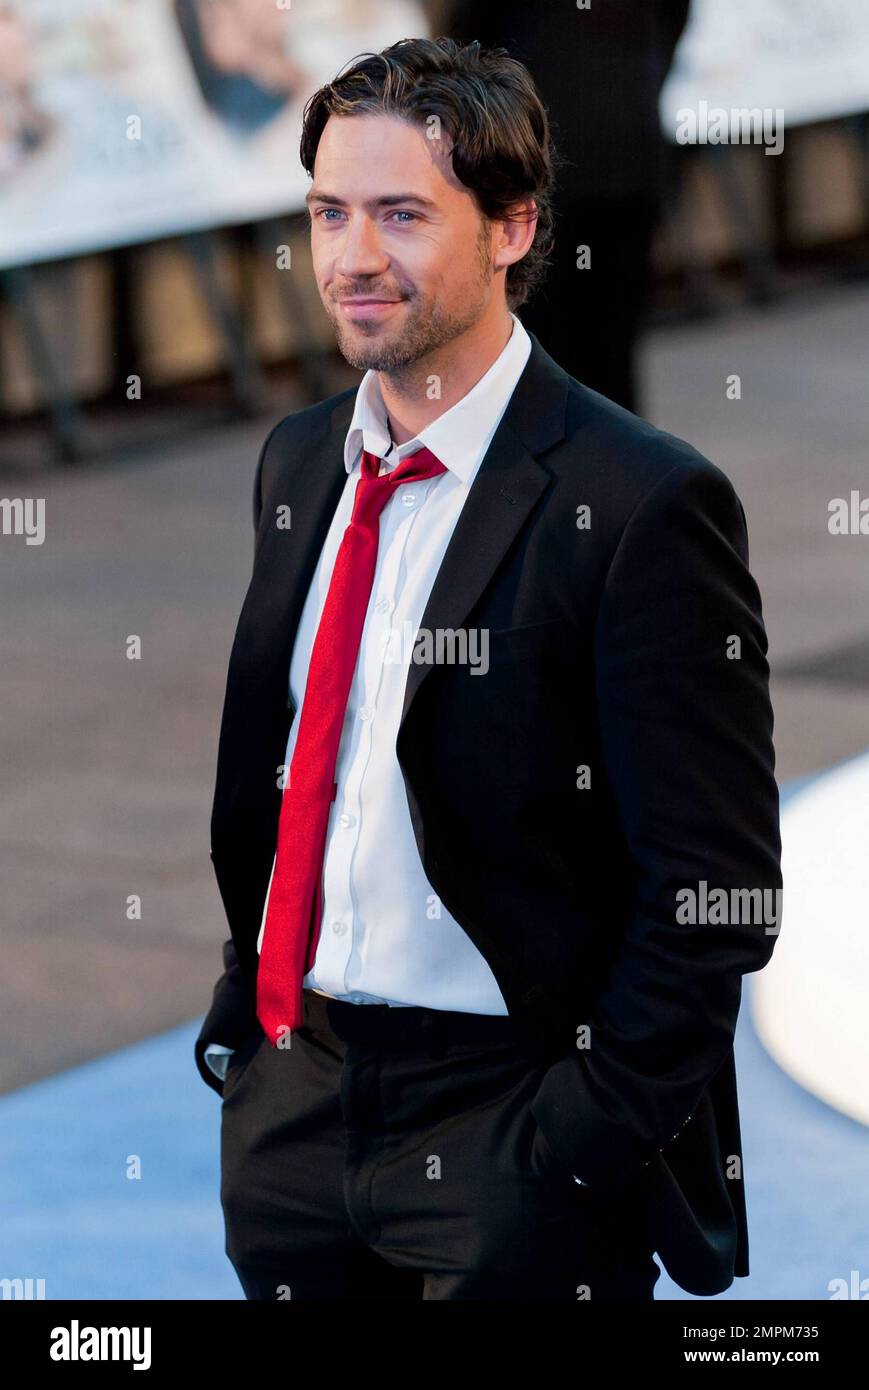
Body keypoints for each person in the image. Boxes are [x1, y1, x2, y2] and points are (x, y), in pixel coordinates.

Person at [194, 36, 782, 1302]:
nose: (351, 258)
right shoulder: (300, 464)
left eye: (401, 214)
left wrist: (574, 1137)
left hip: (510, 1130)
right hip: (296, 1108)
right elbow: (296, 770)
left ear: (513, 227)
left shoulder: (640, 502)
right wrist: (249, 1027)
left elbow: (718, 886)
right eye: (328, 212)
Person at [437, 0, 691, 413]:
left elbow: (465, 49)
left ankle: (585, 463)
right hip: (622, 149)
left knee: (545, 346)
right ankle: (619, 461)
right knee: (610, 344)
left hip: (550, 162)